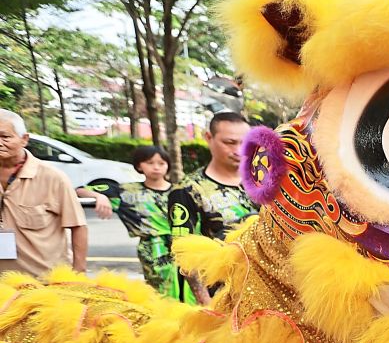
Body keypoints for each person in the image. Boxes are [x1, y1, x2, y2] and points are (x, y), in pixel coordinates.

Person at [170, 112, 258, 302]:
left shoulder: (261, 181)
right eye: (230, 142)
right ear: (209, 138)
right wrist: (207, 305)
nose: (239, 150)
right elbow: (184, 254)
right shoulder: (188, 191)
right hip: (220, 295)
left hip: (263, 292)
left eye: (245, 143)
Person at [0, 108, 88, 276]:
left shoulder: (53, 177)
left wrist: (79, 273)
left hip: (44, 283)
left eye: (5, 137)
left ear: (24, 139)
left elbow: (78, 226)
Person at [96, 146, 178, 299]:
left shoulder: (179, 191)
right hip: (152, 247)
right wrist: (100, 197)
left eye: (161, 163)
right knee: (159, 288)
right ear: (139, 166)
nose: (156, 167)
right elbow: (80, 189)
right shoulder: (127, 192)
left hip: (181, 244)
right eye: (150, 163)